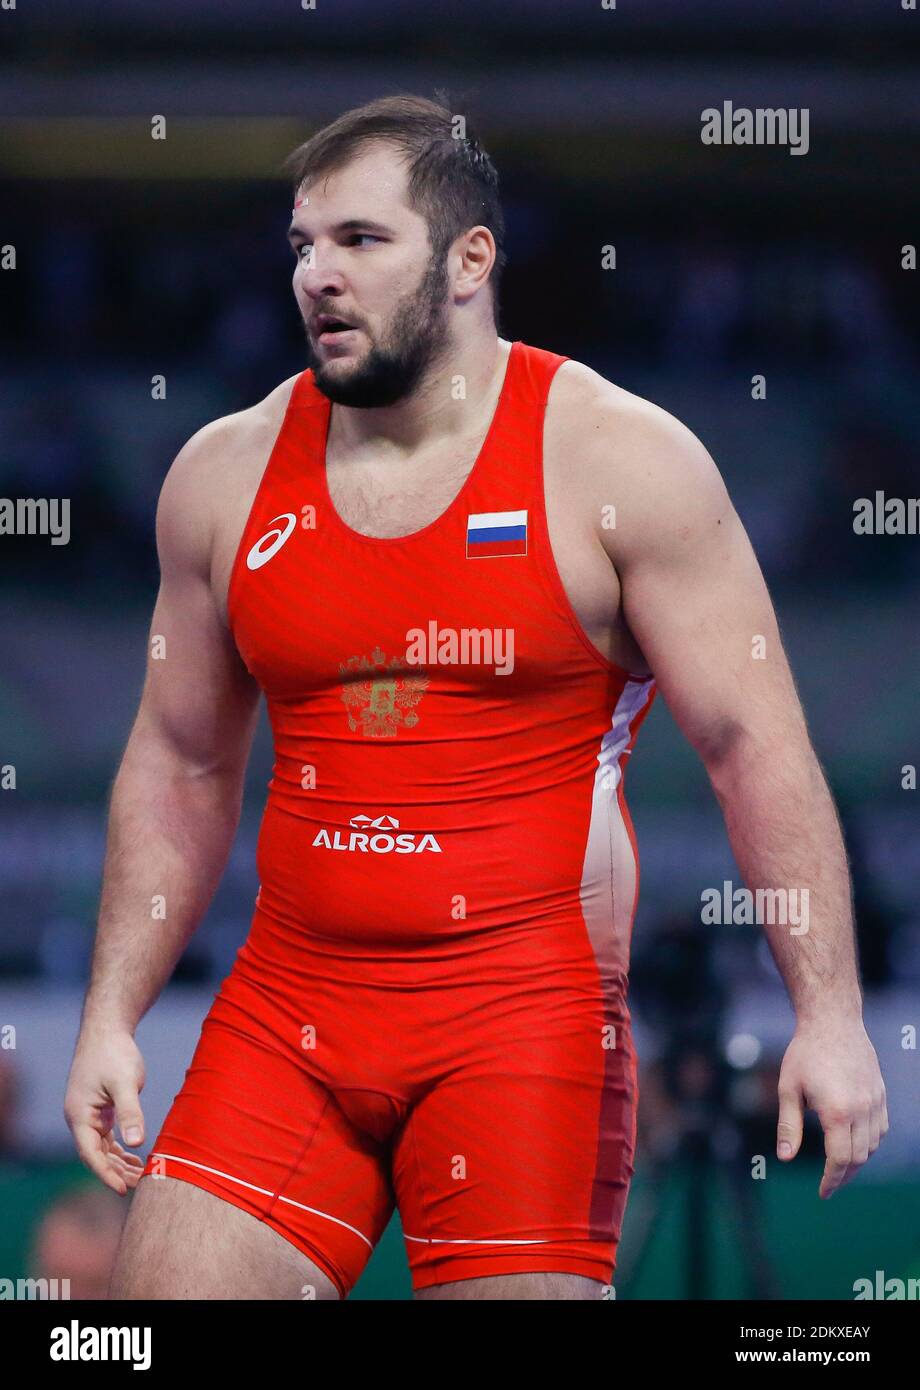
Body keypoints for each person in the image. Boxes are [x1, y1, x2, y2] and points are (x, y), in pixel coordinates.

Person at [65, 94, 887, 1301]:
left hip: (523, 1021)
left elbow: (751, 743)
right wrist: (108, 1012)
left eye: (358, 240)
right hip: (287, 1012)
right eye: (300, 246)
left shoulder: (621, 464)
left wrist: (828, 1013)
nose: (316, 278)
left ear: (468, 260)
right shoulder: (223, 474)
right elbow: (181, 760)